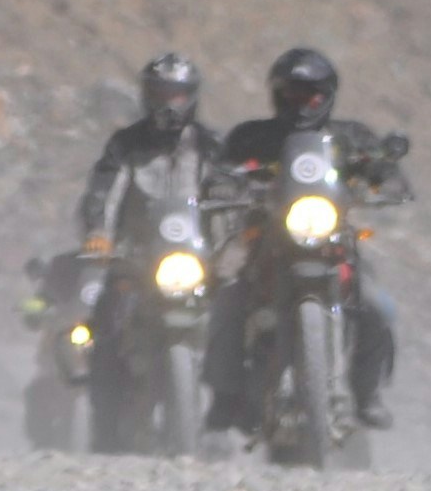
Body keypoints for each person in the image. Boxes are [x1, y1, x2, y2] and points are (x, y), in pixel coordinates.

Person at [203, 47, 403, 429]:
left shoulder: (350, 136)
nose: (301, 102)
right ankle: (224, 398)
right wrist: (223, 185)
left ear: (326, 95)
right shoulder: (252, 137)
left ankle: (367, 394)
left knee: (376, 307)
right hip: (269, 238)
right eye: (292, 93)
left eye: (309, 95)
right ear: (277, 95)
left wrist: (388, 180)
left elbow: (381, 166)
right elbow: (222, 170)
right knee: (228, 301)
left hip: (333, 239)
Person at [77, 54, 219, 247]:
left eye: (176, 96)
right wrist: (98, 232)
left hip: (196, 252)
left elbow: (229, 192)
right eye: (160, 95)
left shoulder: (209, 145)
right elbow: (102, 193)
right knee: (94, 277)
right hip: (133, 254)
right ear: (147, 95)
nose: (169, 105)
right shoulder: (126, 144)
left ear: (191, 96)